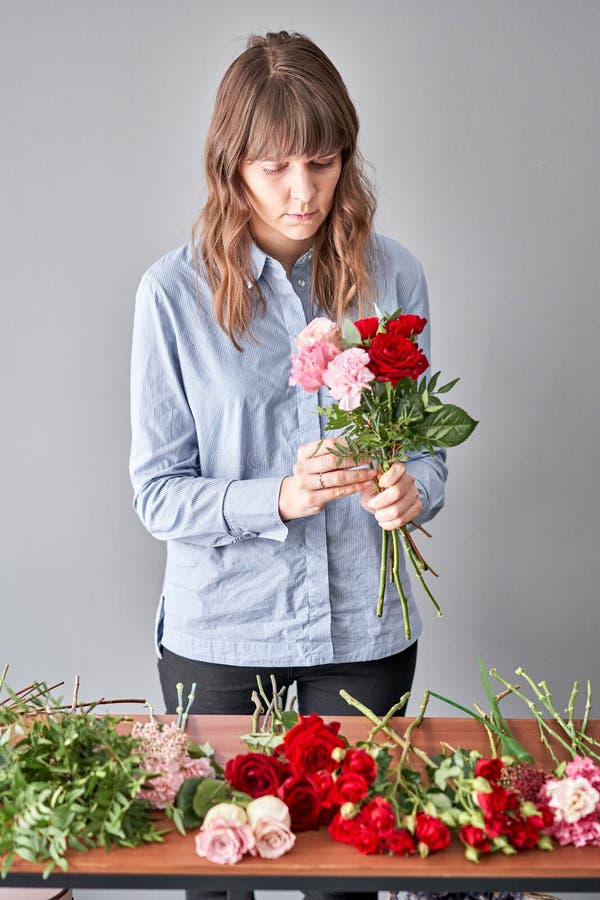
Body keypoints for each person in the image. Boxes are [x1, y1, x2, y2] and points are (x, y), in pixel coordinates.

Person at [129, 30, 447, 900]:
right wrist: (281, 496)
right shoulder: (173, 295)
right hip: (221, 638)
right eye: (274, 168)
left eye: (322, 160)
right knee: (218, 883)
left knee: (345, 883)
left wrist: (416, 490)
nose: (302, 192)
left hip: (364, 634)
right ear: (230, 164)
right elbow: (157, 494)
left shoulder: (395, 277)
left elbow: (426, 442)